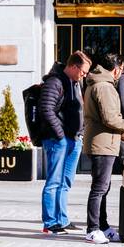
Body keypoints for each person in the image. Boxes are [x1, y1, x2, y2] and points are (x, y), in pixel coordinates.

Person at [82, 52, 124, 244]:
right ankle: (92, 229)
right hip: (102, 144)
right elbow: (109, 118)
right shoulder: (104, 87)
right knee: (99, 188)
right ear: (116, 69)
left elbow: (105, 118)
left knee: (103, 187)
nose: (121, 73)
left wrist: (123, 134)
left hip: (104, 142)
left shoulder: (98, 83)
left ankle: (103, 227)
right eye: (121, 70)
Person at [36, 50, 91, 234]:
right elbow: (46, 109)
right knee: (54, 181)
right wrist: (60, 136)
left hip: (73, 139)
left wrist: (80, 133)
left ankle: (63, 220)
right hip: (58, 140)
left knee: (65, 182)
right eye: (82, 71)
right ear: (73, 66)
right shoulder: (54, 82)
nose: (84, 76)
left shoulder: (74, 83)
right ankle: (50, 223)